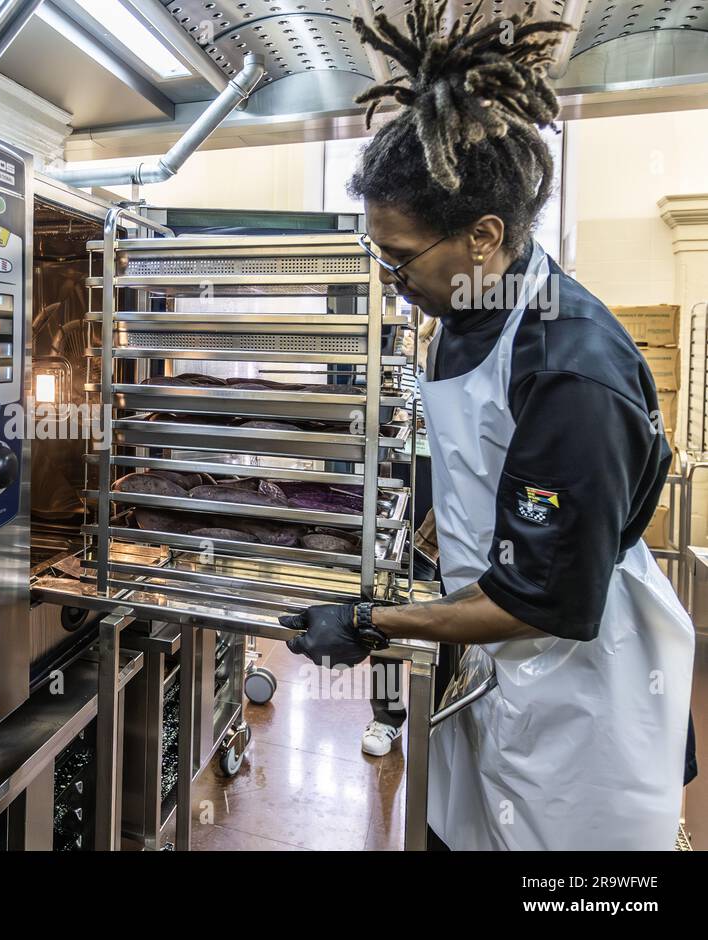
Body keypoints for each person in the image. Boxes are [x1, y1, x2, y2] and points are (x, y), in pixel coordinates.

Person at [281, 1, 694, 849]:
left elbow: (543, 601)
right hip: (495, 667)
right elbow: (481, 482)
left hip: (585, 693)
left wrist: (372, 623)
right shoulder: (466, 318)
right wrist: (416, 554)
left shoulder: (570, 370)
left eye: (400, 259)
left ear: (484, 235)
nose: (392, 280)